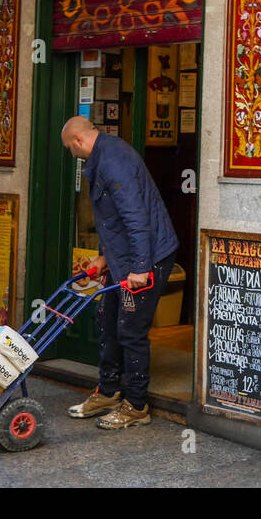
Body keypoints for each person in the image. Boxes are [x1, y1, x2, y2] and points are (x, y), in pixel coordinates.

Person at [60, 115, 179, 429]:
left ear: (78, 141)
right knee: (106, 319)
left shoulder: (113, 161)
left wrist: (140, 268)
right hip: (125, 257)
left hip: (147, 258)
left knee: (130, 329)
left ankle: (137, 405)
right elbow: (114, 222)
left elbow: (135, 218)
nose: (73, 155)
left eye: (70, 149)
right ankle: (109, 391)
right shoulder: (104, 156)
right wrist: (104, 258)